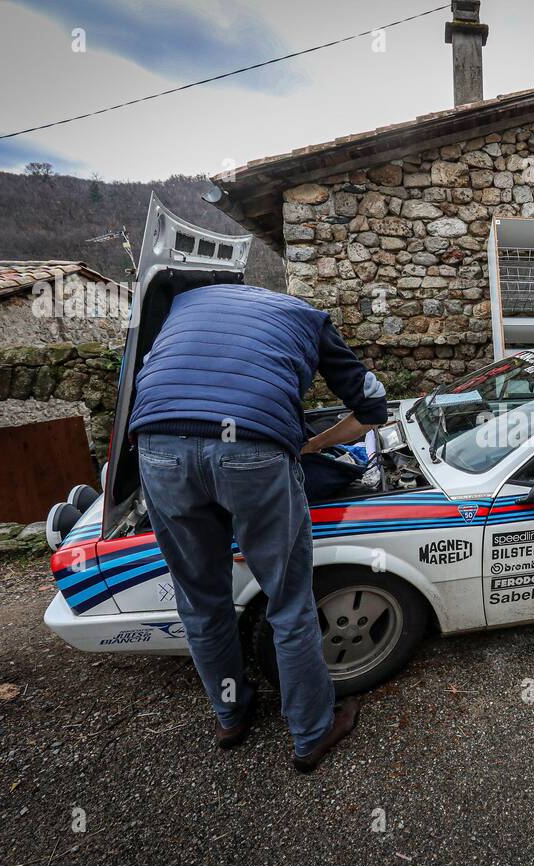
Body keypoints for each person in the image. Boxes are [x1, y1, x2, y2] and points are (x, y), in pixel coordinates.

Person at [128, 283, 388, 772]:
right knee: (289, 602)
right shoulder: (310, 319)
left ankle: (231, 713)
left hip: (157, 446)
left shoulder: (184, 304)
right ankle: (311, 732)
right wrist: (310, 446)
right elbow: (373, 408)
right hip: (251, 449)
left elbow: (153, 383)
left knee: (201, 600)